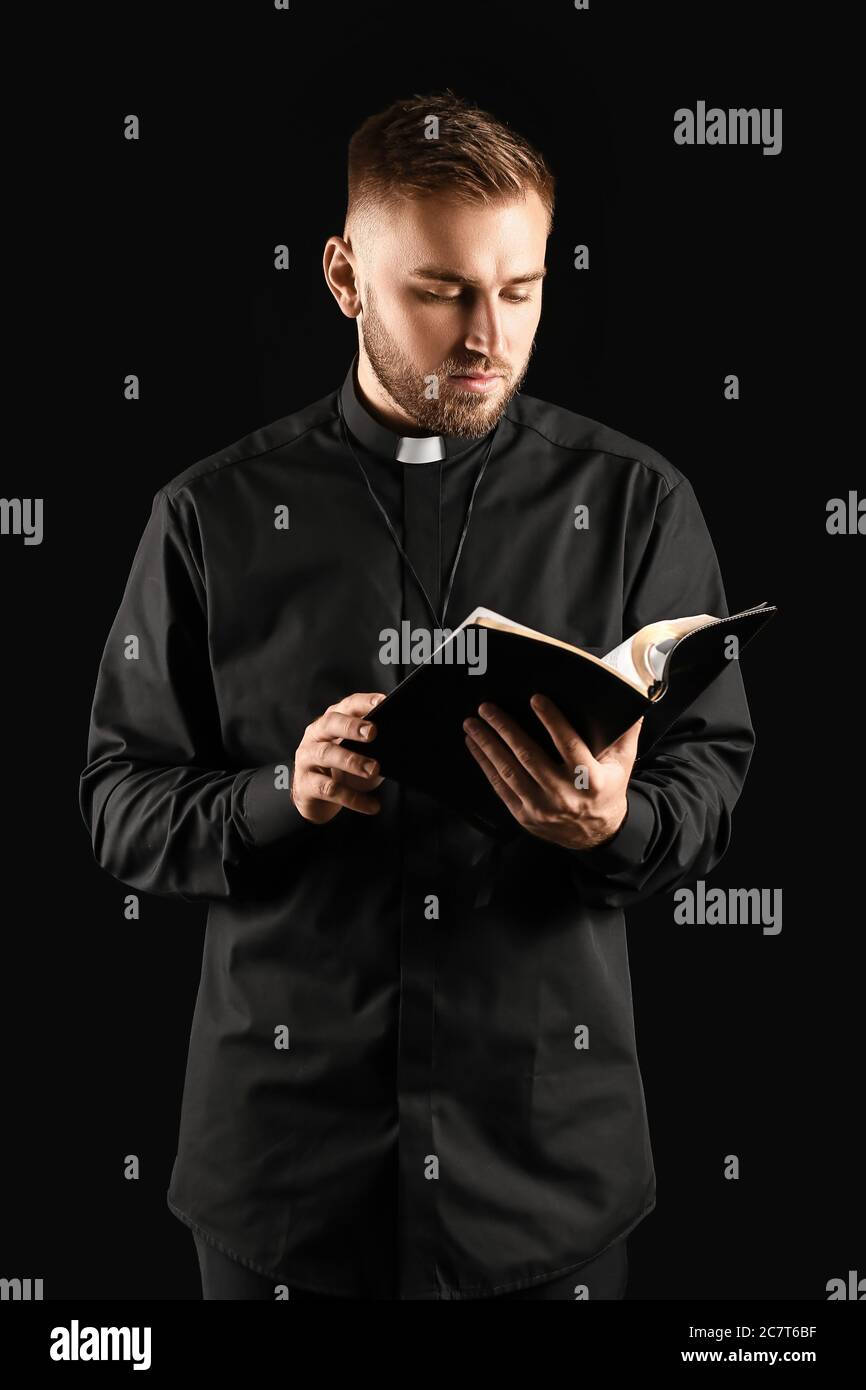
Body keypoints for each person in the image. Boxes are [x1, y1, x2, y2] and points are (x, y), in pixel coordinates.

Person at [79, 89, 755, 1301]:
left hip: (549, 1174)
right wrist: (277, 795)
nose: (484, 335)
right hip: (280, 1182)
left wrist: (616, 822)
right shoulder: (206, 518)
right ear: (344, 276)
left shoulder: (643, 504)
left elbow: (707, 773)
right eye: (439, 291)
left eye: (520, 289)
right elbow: (116, 802)